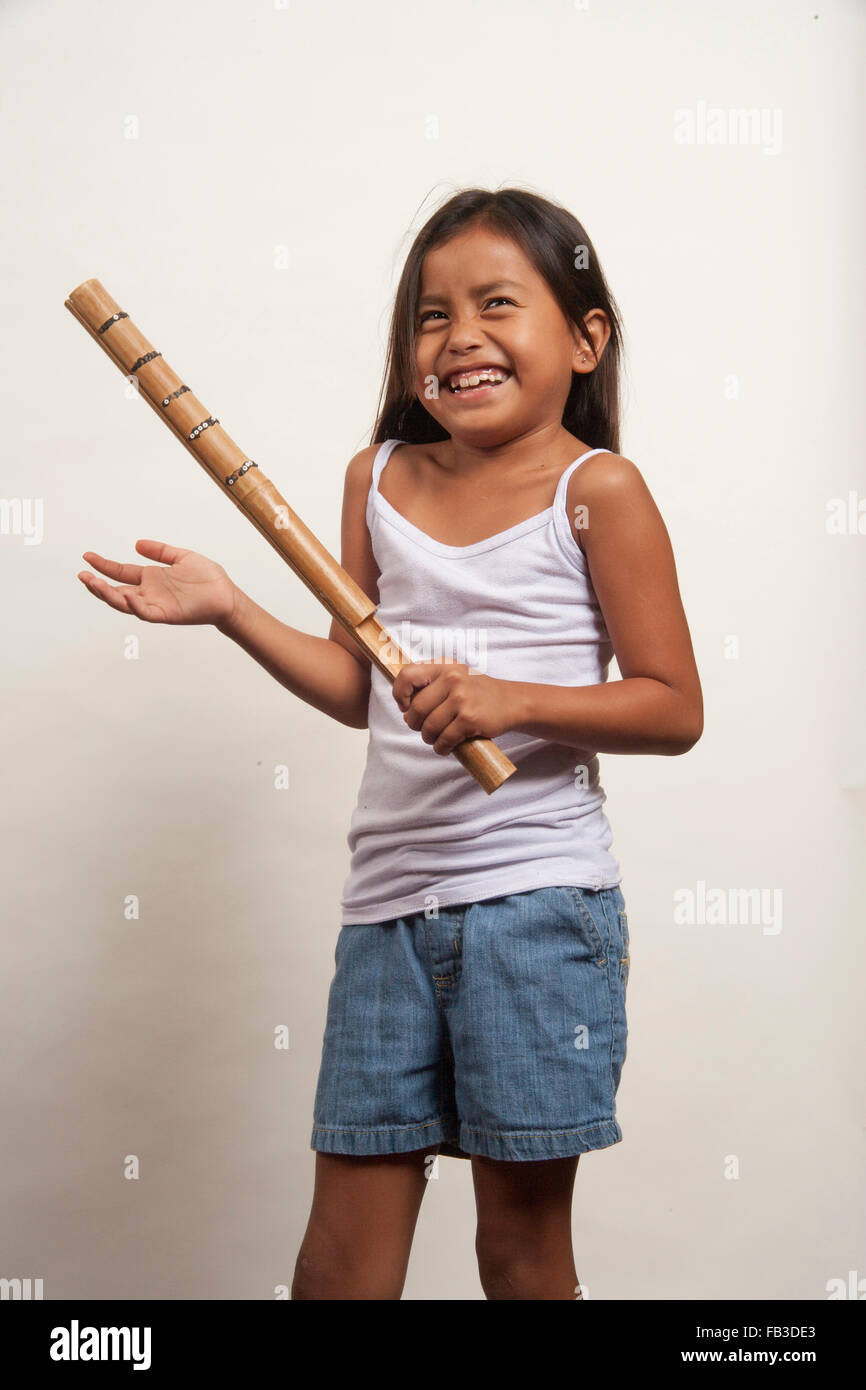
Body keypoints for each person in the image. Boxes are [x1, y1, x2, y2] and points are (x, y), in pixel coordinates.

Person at [78, 186, 703, 1301]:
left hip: (536, 913)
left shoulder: (595, 489)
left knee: (518, 1254)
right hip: (385, 914)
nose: (458, 335)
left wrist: (510, 700)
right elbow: (356, 686)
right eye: (430, 314)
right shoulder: (377, 477)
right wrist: (231, 608)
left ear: (584, 338)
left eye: (496, 304)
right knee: (340, 1267)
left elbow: (672, 706)